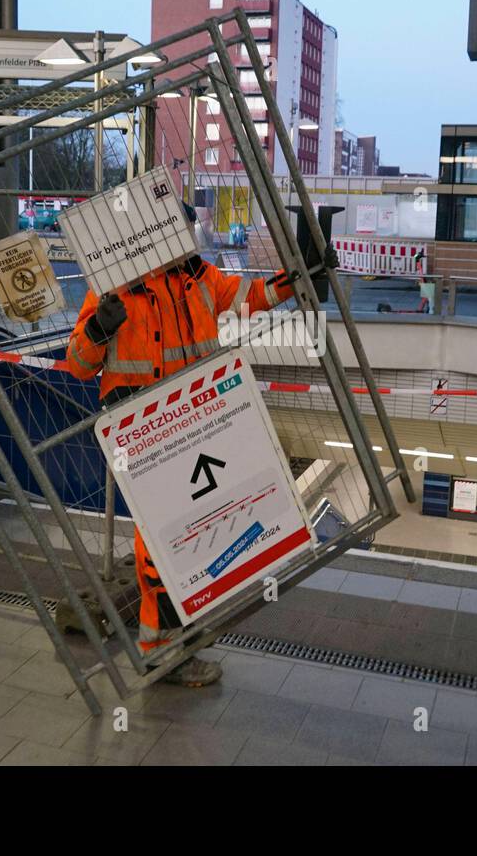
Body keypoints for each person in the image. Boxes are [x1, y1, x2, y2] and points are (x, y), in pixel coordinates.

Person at [66, 207, 333, 686]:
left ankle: (169, 641)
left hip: (198, 428)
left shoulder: (198, 277)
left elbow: (253, 296)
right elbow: (80, 365)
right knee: (159, 549)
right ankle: (161, 653)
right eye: (176, 230)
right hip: (147, 438)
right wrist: (99, 328)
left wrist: (300, 275)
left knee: (190, 541)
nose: (184, 239)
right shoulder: (114, 291)